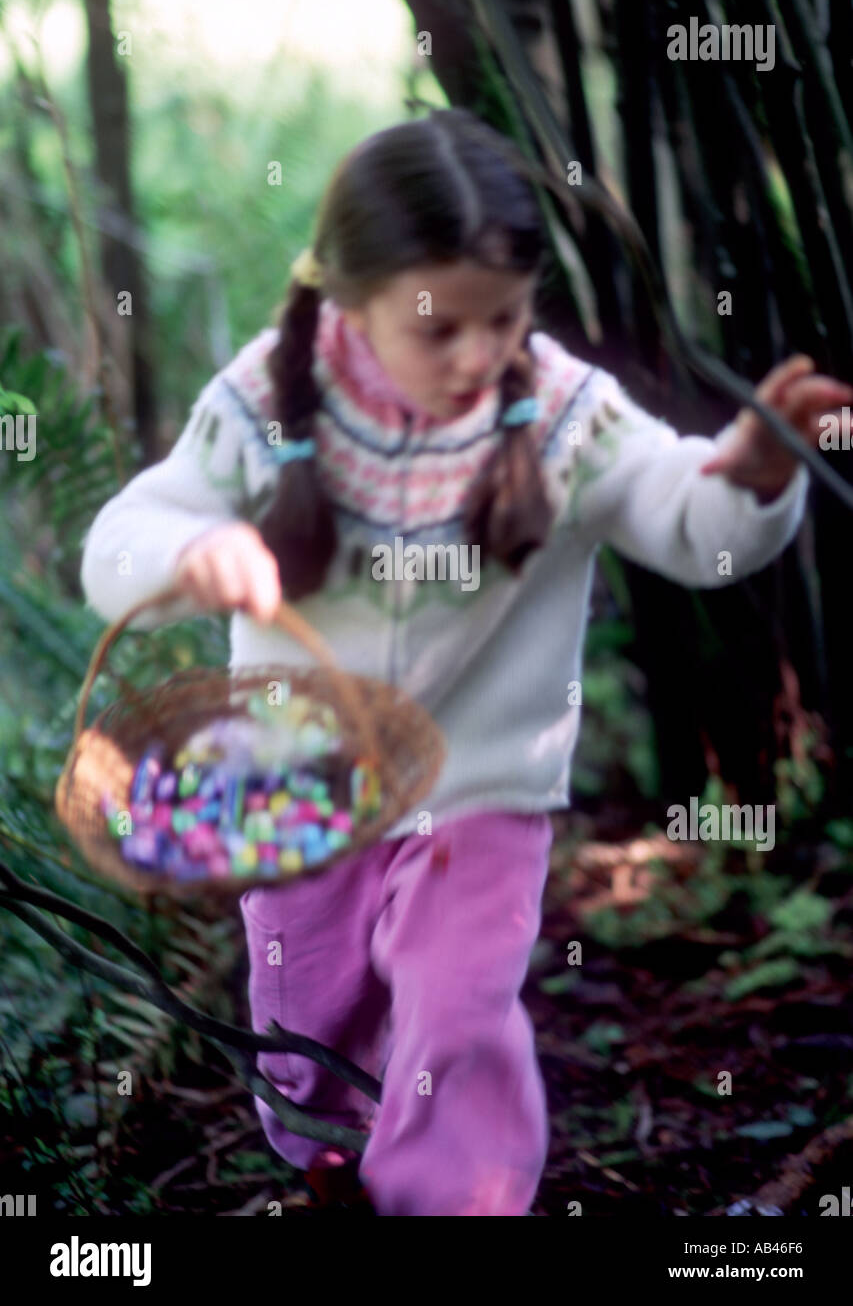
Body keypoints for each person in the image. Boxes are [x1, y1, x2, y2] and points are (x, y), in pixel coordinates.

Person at [79, 108, 851, 1216]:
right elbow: (122, 538)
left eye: (504, 320)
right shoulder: (269, 397)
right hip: (297, 788)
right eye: (438, 327)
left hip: (478, 794)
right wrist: (192, 551)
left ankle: (456, 1200)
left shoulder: (562, 414)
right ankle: (332, 1170)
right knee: (306, 1031)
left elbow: (688, 522)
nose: (478, 355)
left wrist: (752, 474)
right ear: (350, 301)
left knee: (456, 1018)